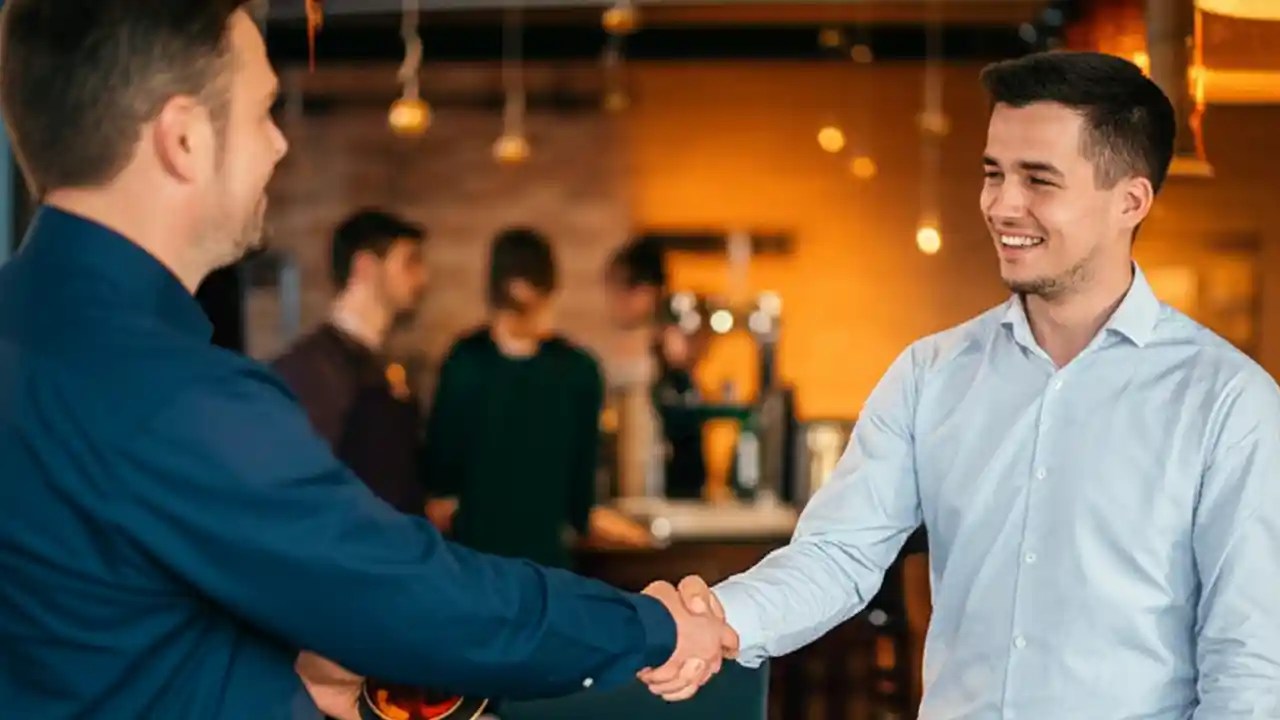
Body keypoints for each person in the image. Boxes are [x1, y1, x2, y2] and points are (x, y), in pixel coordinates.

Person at [0, 3, 729, 718]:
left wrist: (274, 663)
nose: (280, 145)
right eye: (263, 112)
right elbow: (416, 598)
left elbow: (93, 619)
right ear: (183, 140)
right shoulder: (178, 396)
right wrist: (651, 628)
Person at [665, 51, 1280, 717]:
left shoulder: (1228, 402)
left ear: (1129, 200)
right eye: (994, 173)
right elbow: (838, 557)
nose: (1001, 204)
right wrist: (718, 617)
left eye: (1039, 180)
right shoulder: (931, 375)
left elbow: (1248, 660)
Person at [424, 226, 649, 571]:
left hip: (541, 567)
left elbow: (582, 499)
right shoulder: (466, 363)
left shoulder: (577, 372)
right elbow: (440, 484)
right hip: (478, 567)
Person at [273, 209, 430, 516]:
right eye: (410, 262)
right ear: (366, 267)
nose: (423, 278)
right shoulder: (313, 368)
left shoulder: (382, 367)